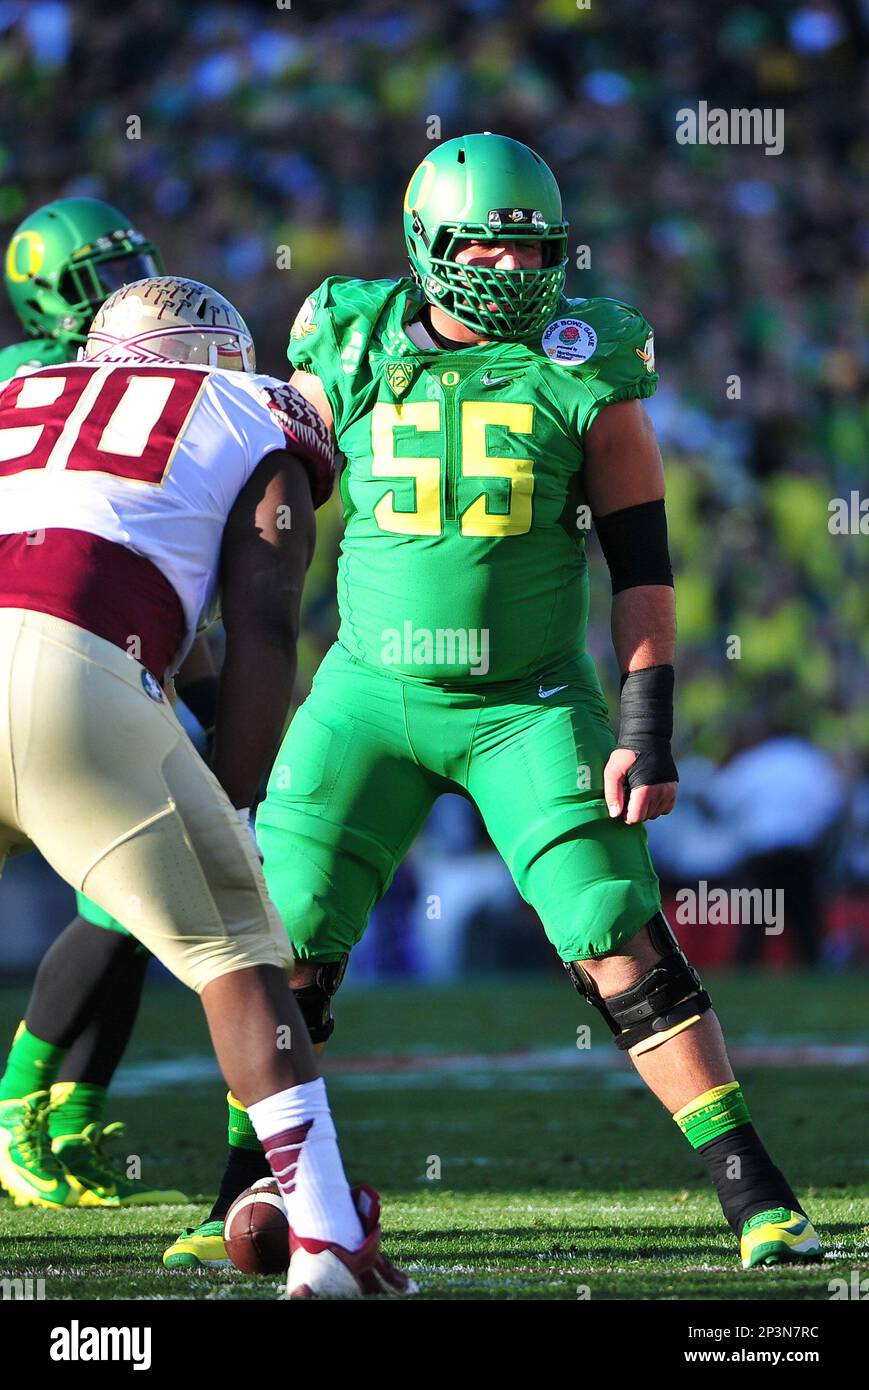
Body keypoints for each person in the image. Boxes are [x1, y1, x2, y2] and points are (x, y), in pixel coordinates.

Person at [167, 134, 822, 1274]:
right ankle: (241, 1190)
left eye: (532, 249)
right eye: (487, 246)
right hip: (367, 691)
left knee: (616, 934)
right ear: (426, 242)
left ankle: (754, 1193)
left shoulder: (586, 360)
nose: (515, 272)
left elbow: (642, 564)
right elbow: (261, 492)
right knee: (280, 940)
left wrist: (643, 719)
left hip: (526, 701)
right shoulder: (348, 336)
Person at [0, 275, 413, 1298]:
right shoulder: (252, 408)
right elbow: (261, 621)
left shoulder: (20, 395)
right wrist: (233, 797)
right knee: (237, 946)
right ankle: (325, 1238)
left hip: (59, 630)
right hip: (71, 673)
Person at [0, 198, 217, 1205]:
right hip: (42, 647)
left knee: (136, 896)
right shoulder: (30, 377)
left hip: (119, 647)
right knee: (133, 881)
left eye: (136, 256)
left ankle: (71, 1115)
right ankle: (18, 1107)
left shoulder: (139, 365)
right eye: (102, 268)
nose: (128, 276)